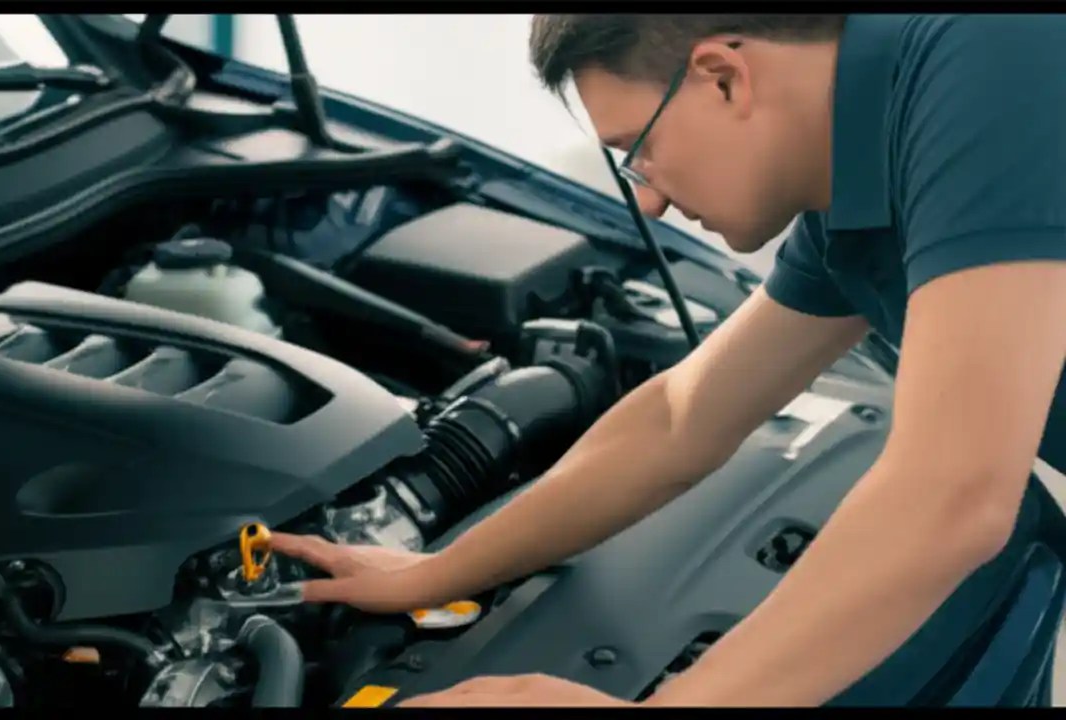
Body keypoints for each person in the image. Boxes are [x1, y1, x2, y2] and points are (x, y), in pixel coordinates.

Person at [270, 13, 1066, 707]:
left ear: (723, 76)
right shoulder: (853, 187)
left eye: (636, 152)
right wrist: (433, 573)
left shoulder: (995, 54)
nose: (645, 200)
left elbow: (954, 492)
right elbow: (683, 416)